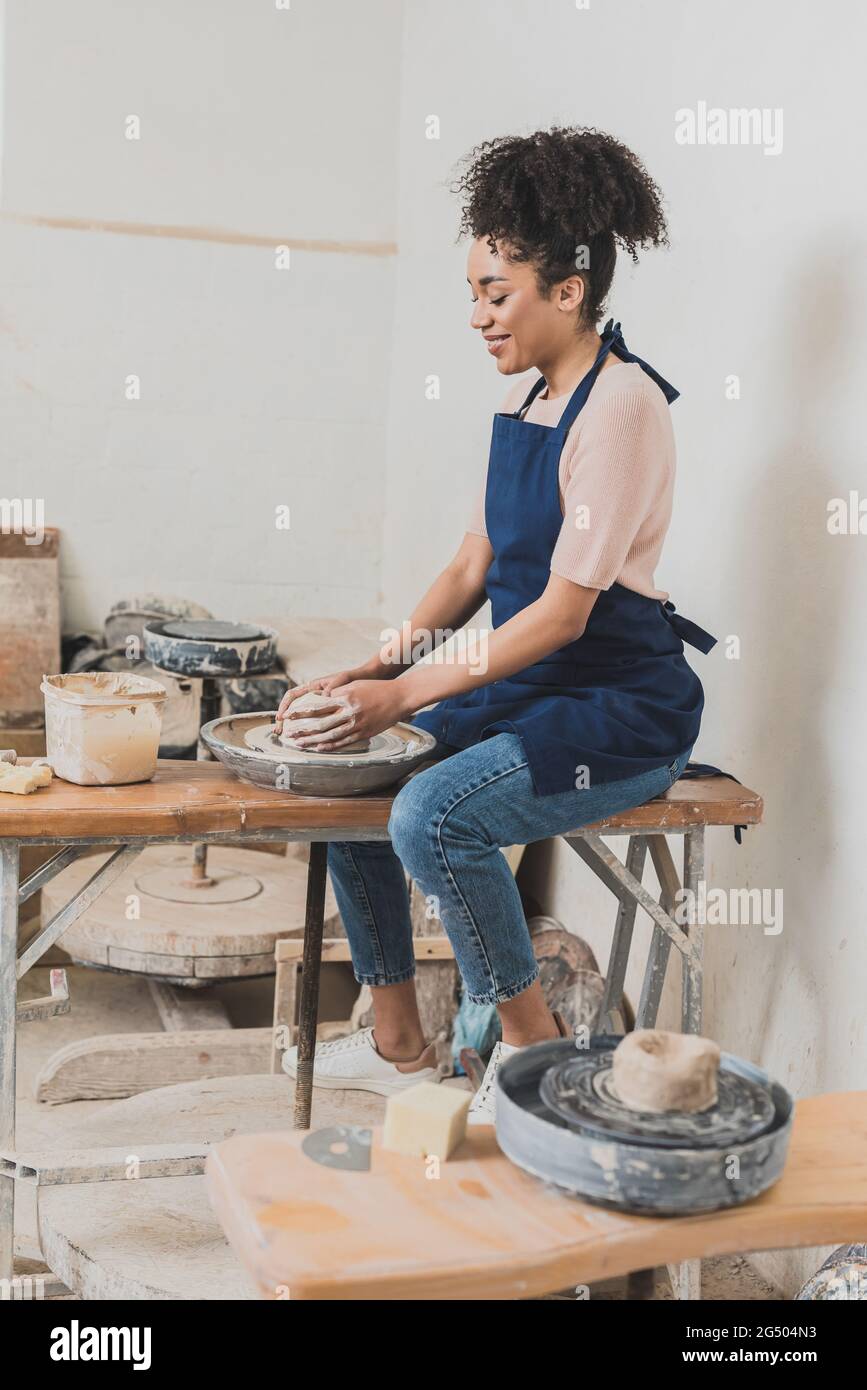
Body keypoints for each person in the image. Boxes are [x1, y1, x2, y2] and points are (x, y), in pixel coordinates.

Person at [275, 127, 715, 1123]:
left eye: (496, 292)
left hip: (620, 708)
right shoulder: (534, 396)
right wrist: (369, 673)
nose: (476, 315)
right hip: (531, 685)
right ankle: (396, 1035)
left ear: (570, 289)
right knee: (360, 763)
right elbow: (472, 566)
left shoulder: (624, 406)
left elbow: (562, 613)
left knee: (433, 814)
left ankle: (532, 1054)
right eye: (473, 291)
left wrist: (408, 691)